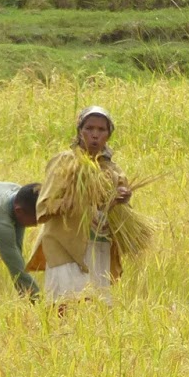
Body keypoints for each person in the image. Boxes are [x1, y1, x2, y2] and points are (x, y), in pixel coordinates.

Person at [28, 107, 132, 303]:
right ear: (79, 131)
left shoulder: (112, 170)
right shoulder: (65, 162)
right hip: (64, 245)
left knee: (95, 307)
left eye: (101, 130)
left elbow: (118, 211)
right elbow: (45, 205)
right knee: (64, 305)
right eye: (89, 128)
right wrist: (79, 197)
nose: (94, 135)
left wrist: (123, 198)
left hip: (98, 246)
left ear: (108, 135)